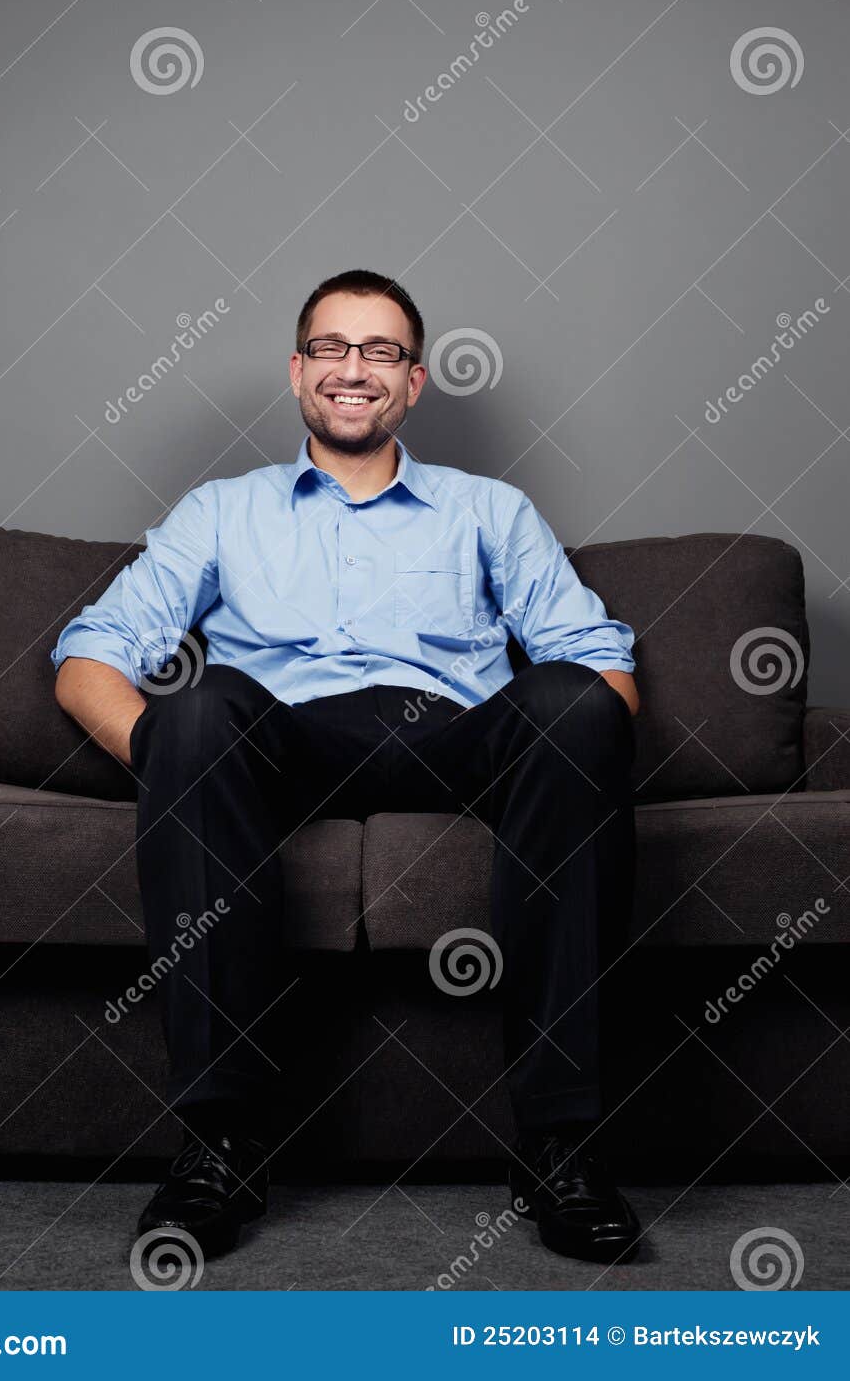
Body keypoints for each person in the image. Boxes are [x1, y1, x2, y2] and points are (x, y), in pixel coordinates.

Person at [51, 269, 642, 1268]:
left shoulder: (486, 510)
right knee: (192, 717)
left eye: (379, 352)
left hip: (460, 745)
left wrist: (575, 729)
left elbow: (603, 666)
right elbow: (87, 656)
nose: (352, 369)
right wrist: (170, 759)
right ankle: (220, 1147)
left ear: (412, 382)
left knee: (575, 703)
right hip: (284, 745)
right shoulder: (222, 512)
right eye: (330, 347)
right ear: (297, 372)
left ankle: (560, 1143)